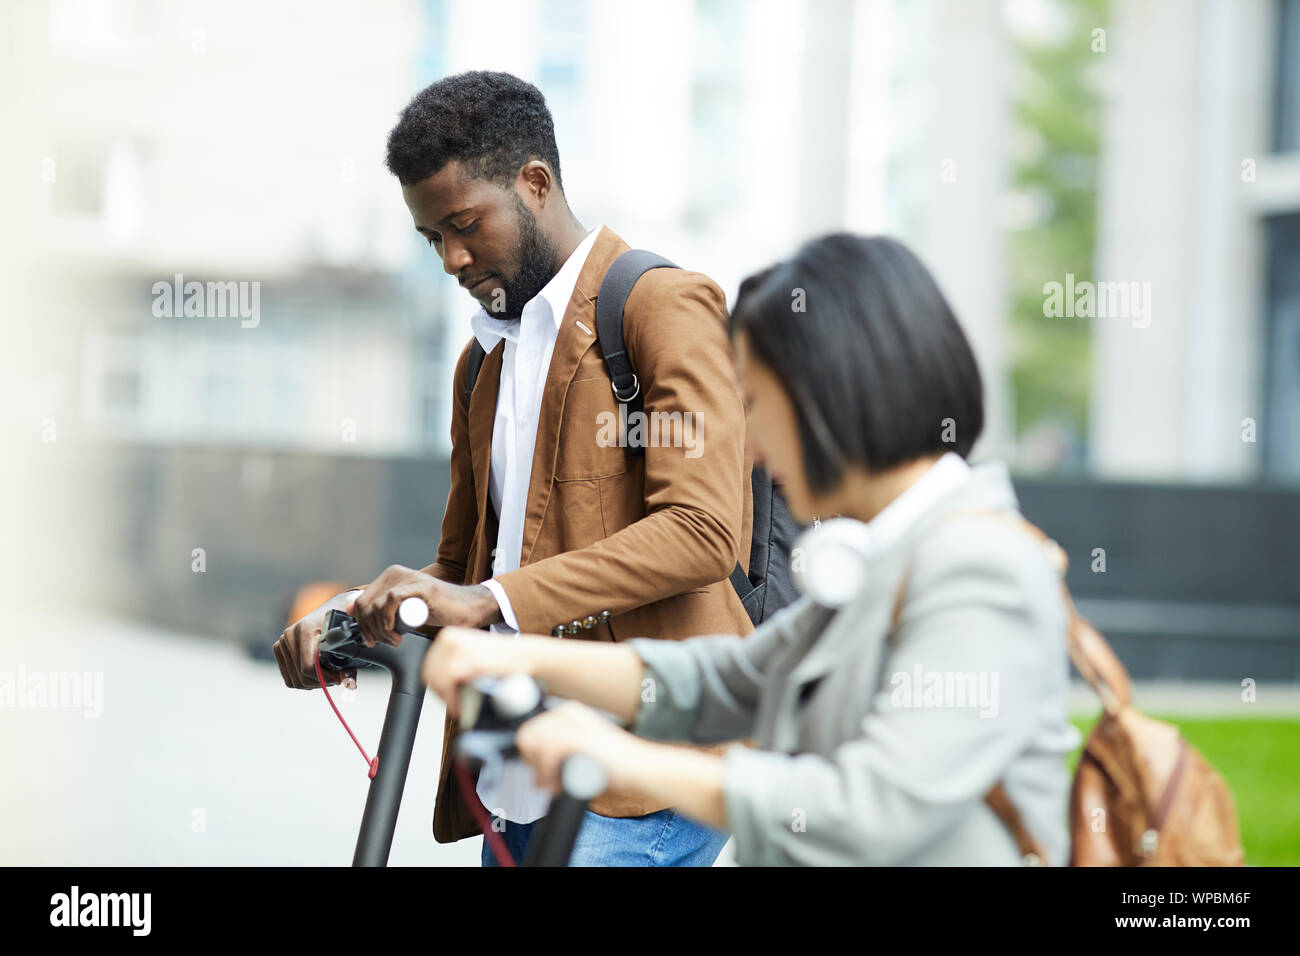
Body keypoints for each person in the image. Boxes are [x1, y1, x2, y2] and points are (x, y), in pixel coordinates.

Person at [424, 233, 1079, 866]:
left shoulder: (979, 567)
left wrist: (621, 758)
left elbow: (866, 811)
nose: (753, 448)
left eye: (755, 403)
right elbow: (728, 681)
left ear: (834, 392)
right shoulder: (893, 553)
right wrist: (513, 652)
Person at [273, 71, 754, 866]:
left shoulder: (659, 307)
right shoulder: (481, 362)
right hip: (517, 777)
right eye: (432, 238)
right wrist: (354, 611)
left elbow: (702, 531)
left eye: (465, 225)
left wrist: (486, 599)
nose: (451, 258)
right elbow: (465, 572)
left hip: (642, 776)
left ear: (535, 184)